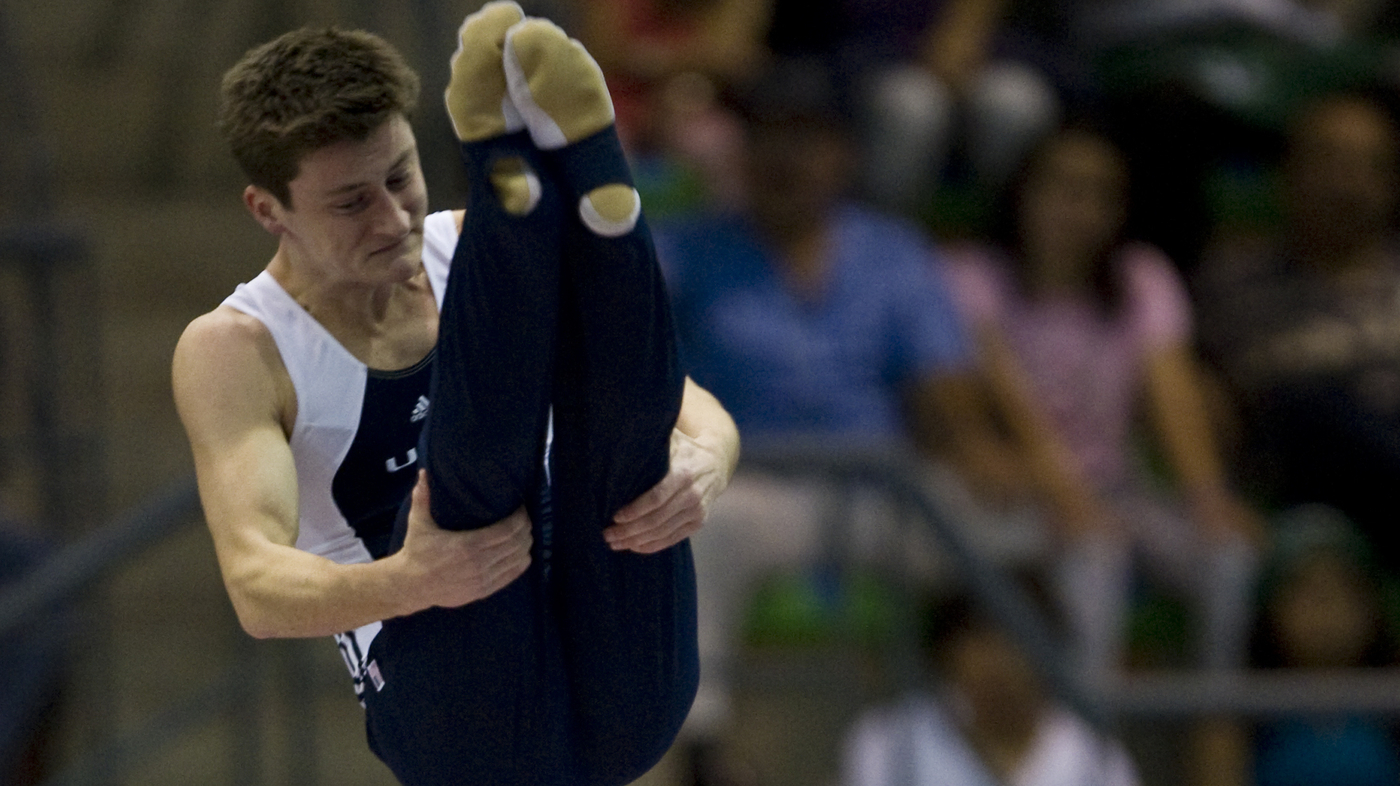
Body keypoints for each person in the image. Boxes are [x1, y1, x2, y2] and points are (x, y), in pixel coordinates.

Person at [171, 4, 740, 785]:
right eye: (350, 202)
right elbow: (257, 586)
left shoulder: (472, 241)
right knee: (466, 496)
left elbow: (685, 400)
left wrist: (708, 460)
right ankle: (528, 154)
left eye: (400, 176)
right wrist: (412, 579)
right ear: (267, 209)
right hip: (450, 702)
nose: (393, 215)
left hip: (612, 671)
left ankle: (591, 166)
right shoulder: (236, 349)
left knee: (628, 462)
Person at [653, 62, 1019, 783]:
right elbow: (619, 360)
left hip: (883, 488)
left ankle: (1006, 741)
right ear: (743, 152)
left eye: (807, 138)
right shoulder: (685, 248)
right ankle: (702, 752)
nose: (786, 158)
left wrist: (979, 452)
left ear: (844, 153)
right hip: (752, 486)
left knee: (1009, 529)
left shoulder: (893, 251)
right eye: (769, 137)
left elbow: (943, 383)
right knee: (692, 521)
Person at [1196, 92, 1400, 576]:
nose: (1345, 185)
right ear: (1287, 173)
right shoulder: (1230, 281)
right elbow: (1198, 393)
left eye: (1366, 167)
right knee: (1305, 408)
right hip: (1296, 483)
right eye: (1327, 161)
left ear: (1392, 185)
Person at [842, 582, 1142, 786]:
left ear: (1049, 653)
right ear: (947, 652)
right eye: (980, 639)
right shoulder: (890, 740)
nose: (998, 661)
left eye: (1014, 640)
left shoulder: (1095, 755)